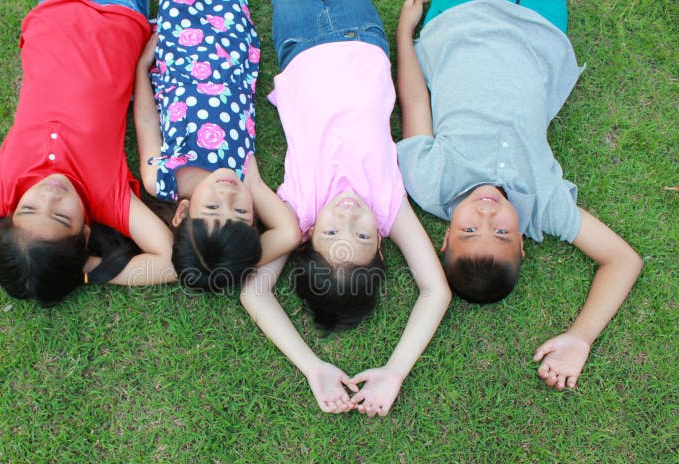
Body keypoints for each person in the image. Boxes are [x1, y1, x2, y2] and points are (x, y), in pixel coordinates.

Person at [395, 0, 642, 389]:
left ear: (446, 236)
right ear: (523, 243)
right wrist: (580, 337)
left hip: (459, 17)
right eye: (503, 234)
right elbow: (623, 260)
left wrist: (405, 35)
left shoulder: (429, 183)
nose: (487, 216)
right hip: (539, 27)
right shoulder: (544, 206)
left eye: (469, 231)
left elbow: (413, 100)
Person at [240, 0, 452, 417]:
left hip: (299, 41)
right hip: (362, 34)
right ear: (380, 246)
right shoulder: (389, 205)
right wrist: (394, 371)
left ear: (306, 238)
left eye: (332, 233)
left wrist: (312, 366)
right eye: (362, 235)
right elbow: (435, 290)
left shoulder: (299, 209)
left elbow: (255, 291)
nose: (349, 217)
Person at [0, 0, 178, 306]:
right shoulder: (106, 199)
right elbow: (168, 260)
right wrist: (82, 267)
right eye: (61, 216)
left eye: (29, 209)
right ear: (84, 235)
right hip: (116, 12)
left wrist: (9, 254)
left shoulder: (1, 190)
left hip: (53, 10)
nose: (49, 195)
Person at [135, 0, 300, 293]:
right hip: (231, 43)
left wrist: (141, 67)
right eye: (240, 212)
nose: (228, 194)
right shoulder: (246, 180)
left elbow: (147, 122)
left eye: (212, 207)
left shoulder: (160, 179)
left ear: (183, 212)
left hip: (179, 43)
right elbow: (288, 233)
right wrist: (235, 256)